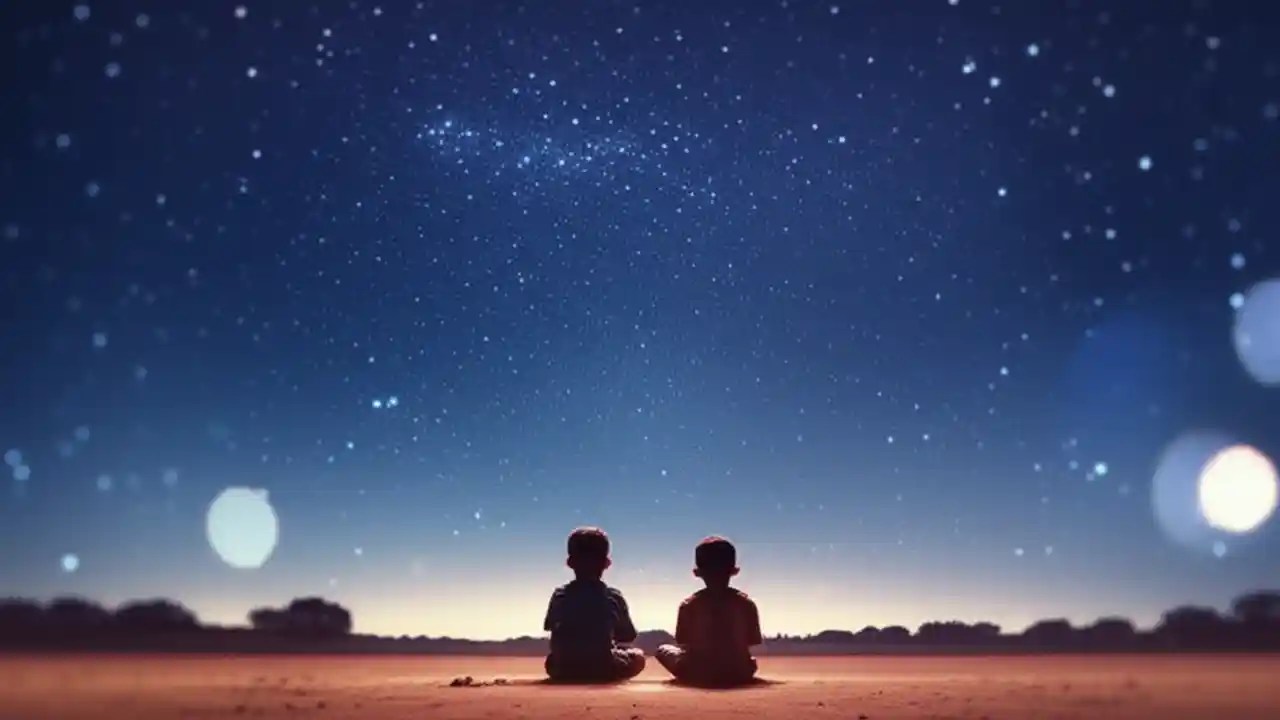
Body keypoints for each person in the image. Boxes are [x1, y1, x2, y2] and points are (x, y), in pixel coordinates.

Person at [543, 526, 646, 682]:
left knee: (553, 659)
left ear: (570, 563)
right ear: (607, 563)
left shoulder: (559, 596)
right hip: (604, 668)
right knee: (637, 656)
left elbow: (550, 627)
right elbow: (628, 635)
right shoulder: (613, 596)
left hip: (561, 668)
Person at [655, 535, 762, 686]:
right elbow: (753, 640)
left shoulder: (689, 605)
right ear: (734, 570)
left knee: (663, 650)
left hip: (697, 672)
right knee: (750, 661)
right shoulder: (747, 603)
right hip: (740, 671)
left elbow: (682, 641)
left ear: (697, 572)